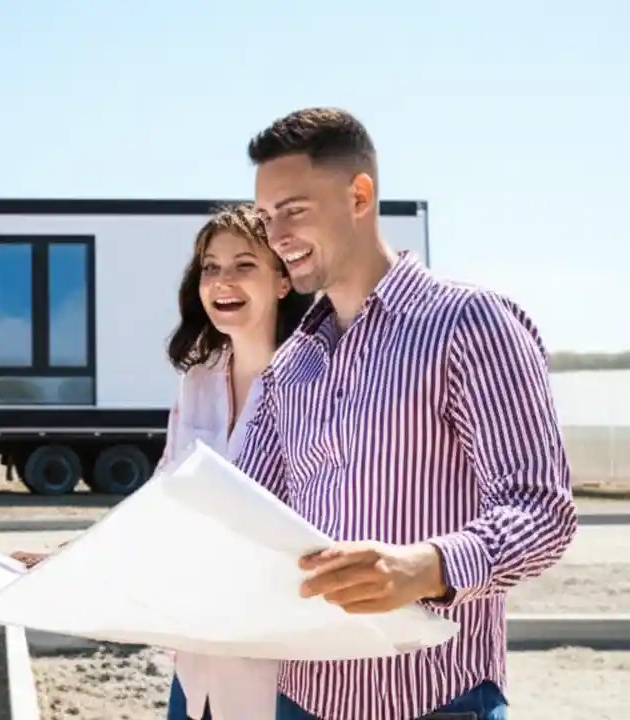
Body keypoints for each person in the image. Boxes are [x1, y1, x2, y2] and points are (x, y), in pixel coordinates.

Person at [235, 107, 578, 720]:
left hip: (438, 701)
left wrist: (429, 566)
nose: (277, 235)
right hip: (303, 698)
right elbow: (234, 514)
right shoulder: (289, 368)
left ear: (359, 195)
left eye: (294, 208)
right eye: (266, 218)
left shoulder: (472, 325)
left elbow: (543, 511)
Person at [12, 204, 315, 720]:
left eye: (244, 265)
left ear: (283, 281)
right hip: (198, 656)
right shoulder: (198, 380)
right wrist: (73, 555)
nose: (223, 280)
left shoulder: (316, 383)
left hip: (285, 660)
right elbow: (162, 501)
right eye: (210, 267)